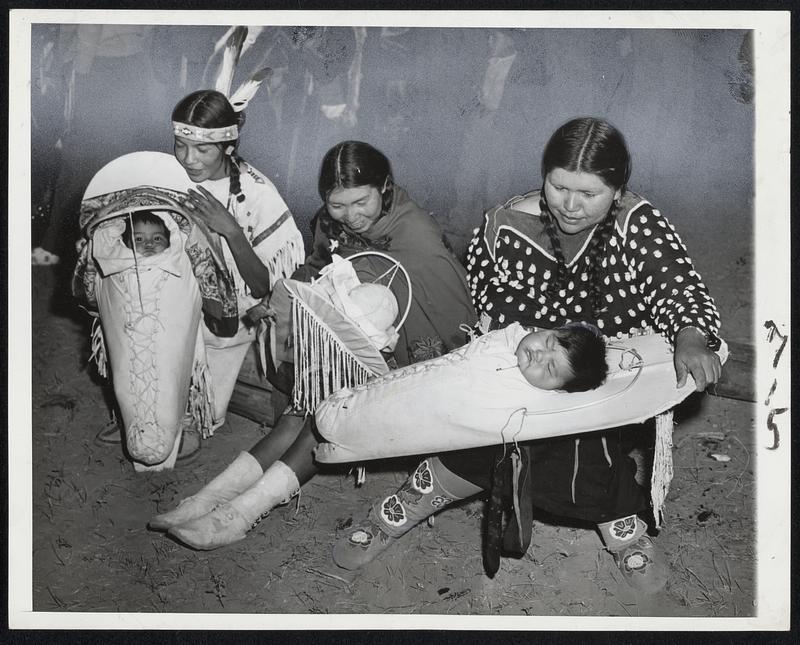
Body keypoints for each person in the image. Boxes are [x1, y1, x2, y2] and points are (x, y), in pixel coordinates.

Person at [331, 117, 722, 594]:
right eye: (559, 187)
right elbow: (482, 296)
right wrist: (517, 353)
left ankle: (620, 523)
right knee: (477, 428)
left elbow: (678, 285)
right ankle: (415, 498)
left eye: (590, 194)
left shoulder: (638, 225)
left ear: (618, 190)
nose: (571, 206)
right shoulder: (506, 225)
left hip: (598, 378)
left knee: (589, 445)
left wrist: (690, 332)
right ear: (544, 176)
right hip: (521, 366)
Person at [148, 140, 477, 547]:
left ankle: (241, 514)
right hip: (344, 341)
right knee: (301, 408)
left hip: (407, 360)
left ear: (385, 188)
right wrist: (285, 299)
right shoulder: (331, 222)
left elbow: (450, 318)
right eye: (337, 205)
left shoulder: (417, 237)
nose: (350, 217)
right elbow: (318, 270)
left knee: (325, 414)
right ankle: (207, 500)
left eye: (361, 202)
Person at [171, 89, 305, 455]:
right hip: (175, 296)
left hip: (232, 312)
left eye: (202, 150)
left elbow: (267, 286)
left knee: (208, 344)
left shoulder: (257, 194)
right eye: (180, 145)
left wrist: (230, 229)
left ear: (228, 146)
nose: (188, 159)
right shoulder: (168, 175)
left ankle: (192, 415)